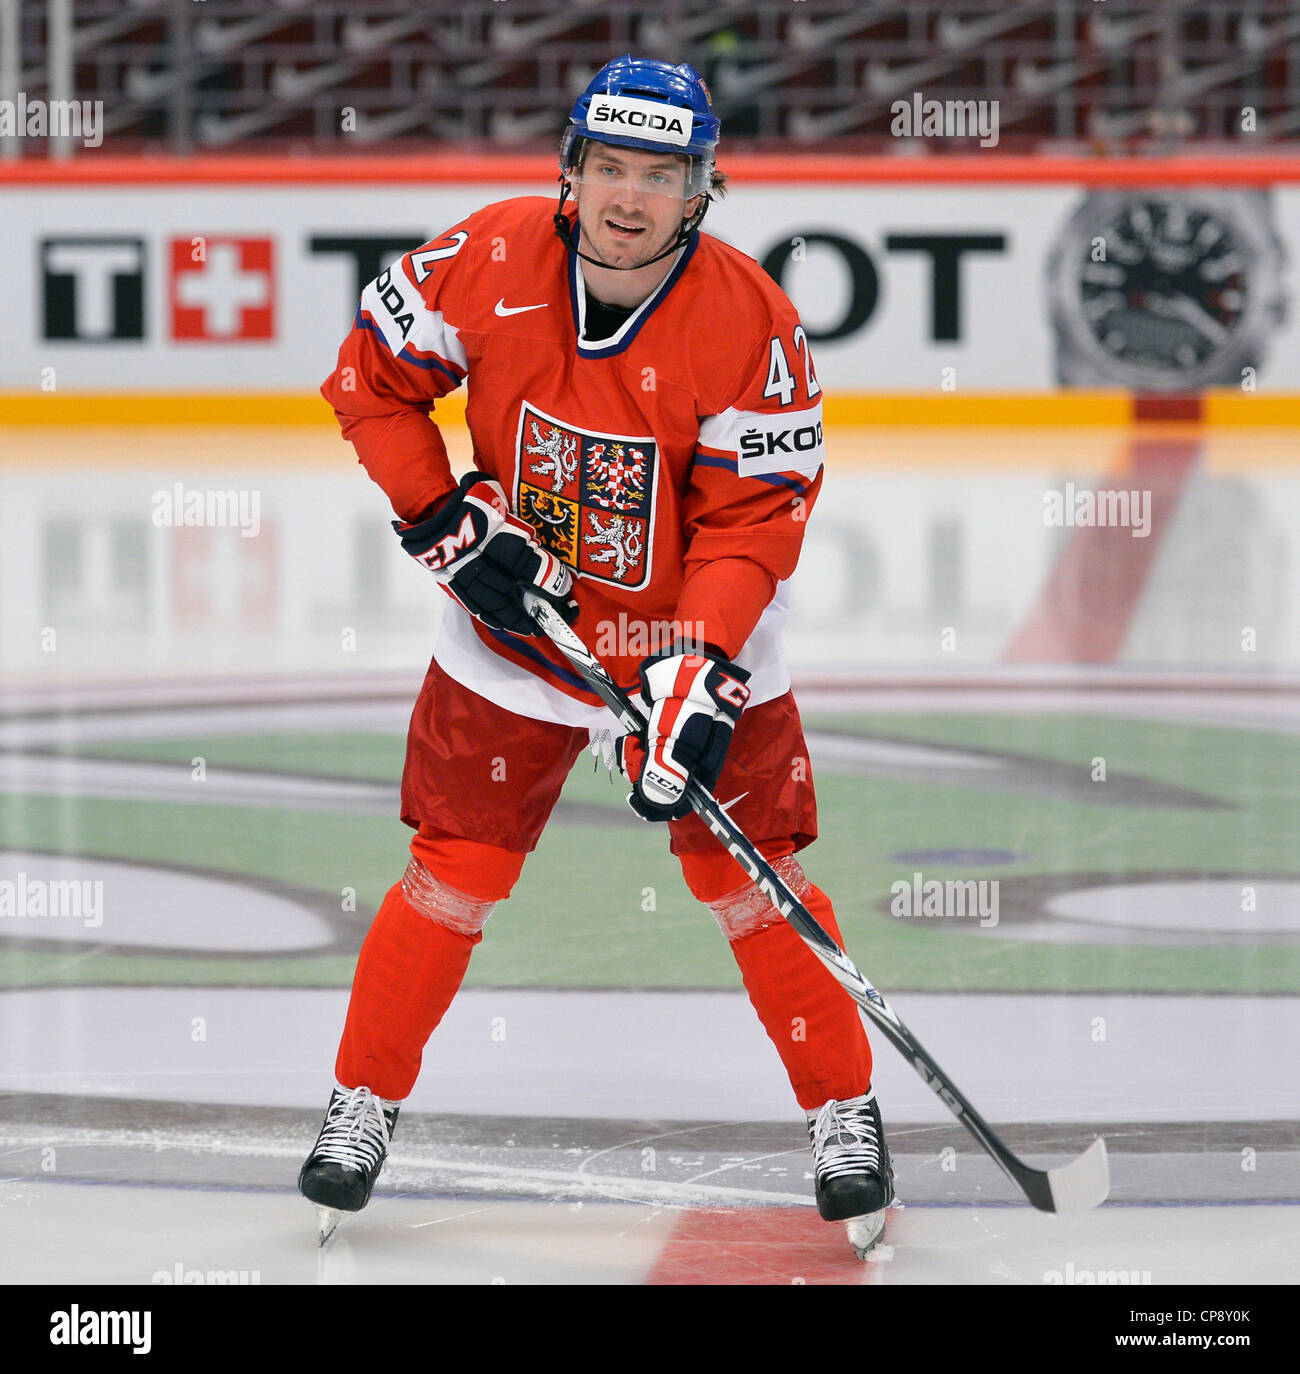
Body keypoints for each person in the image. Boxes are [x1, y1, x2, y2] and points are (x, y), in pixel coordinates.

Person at [300, 55, 894, 1254]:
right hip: (521, 633)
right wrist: (445, 516)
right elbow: (372, 388)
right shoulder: (484, 255)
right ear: (571, 172)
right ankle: (361, 1100)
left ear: (702, 189)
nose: (629, 197)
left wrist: (700, 661)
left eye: (659, 175)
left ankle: (846, 1114)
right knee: (453, 870)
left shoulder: (753, 322)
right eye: (608, 167)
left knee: (750, 879)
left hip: (686, 636)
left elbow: (752, 517)